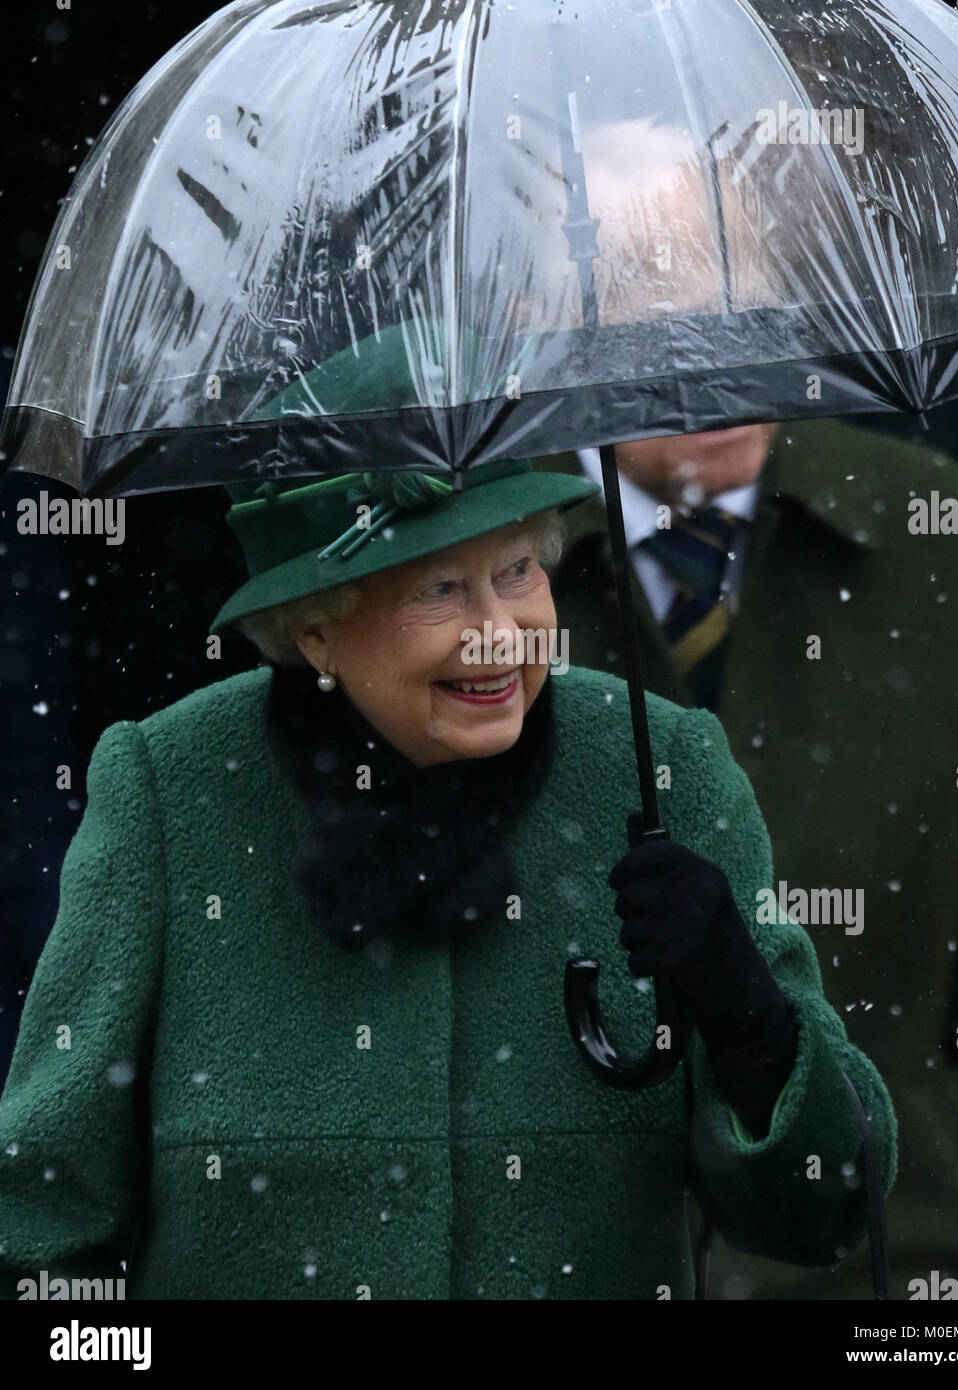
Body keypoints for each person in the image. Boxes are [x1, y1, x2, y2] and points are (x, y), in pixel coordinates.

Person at [0, 336, 896, 1298]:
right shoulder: (172, 790)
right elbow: (40, 1220)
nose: (500, 632)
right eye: (439, 589)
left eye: (518, 570)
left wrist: (747, 1013)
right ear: (315, 627)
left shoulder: (660, 769)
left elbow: (825, 1213)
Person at [537, 417, 958, 1299]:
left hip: (897, 1276)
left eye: (744, 273)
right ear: (535, 298)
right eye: (648, 277)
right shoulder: (457, 568)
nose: (706, 334)